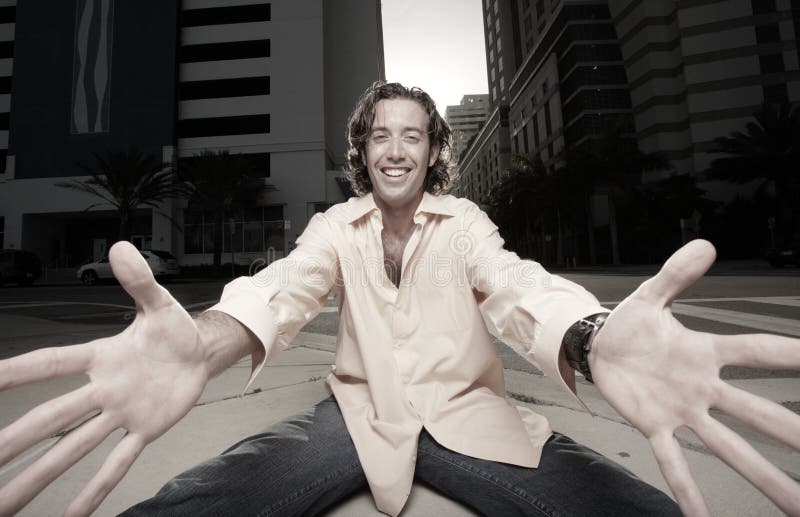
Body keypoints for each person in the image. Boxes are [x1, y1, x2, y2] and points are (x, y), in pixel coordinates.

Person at [0, 82, 798, 517]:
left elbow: (517, 286)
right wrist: (204, 344)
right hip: (356, 416)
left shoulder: (467, 222)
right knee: (203, 497)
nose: (394, 148)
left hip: (474, 418)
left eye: (412, 134)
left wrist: (590, 335)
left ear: (432, 151)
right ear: (363, 150)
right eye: (380, 134)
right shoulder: (335, 226)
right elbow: (284, 289)